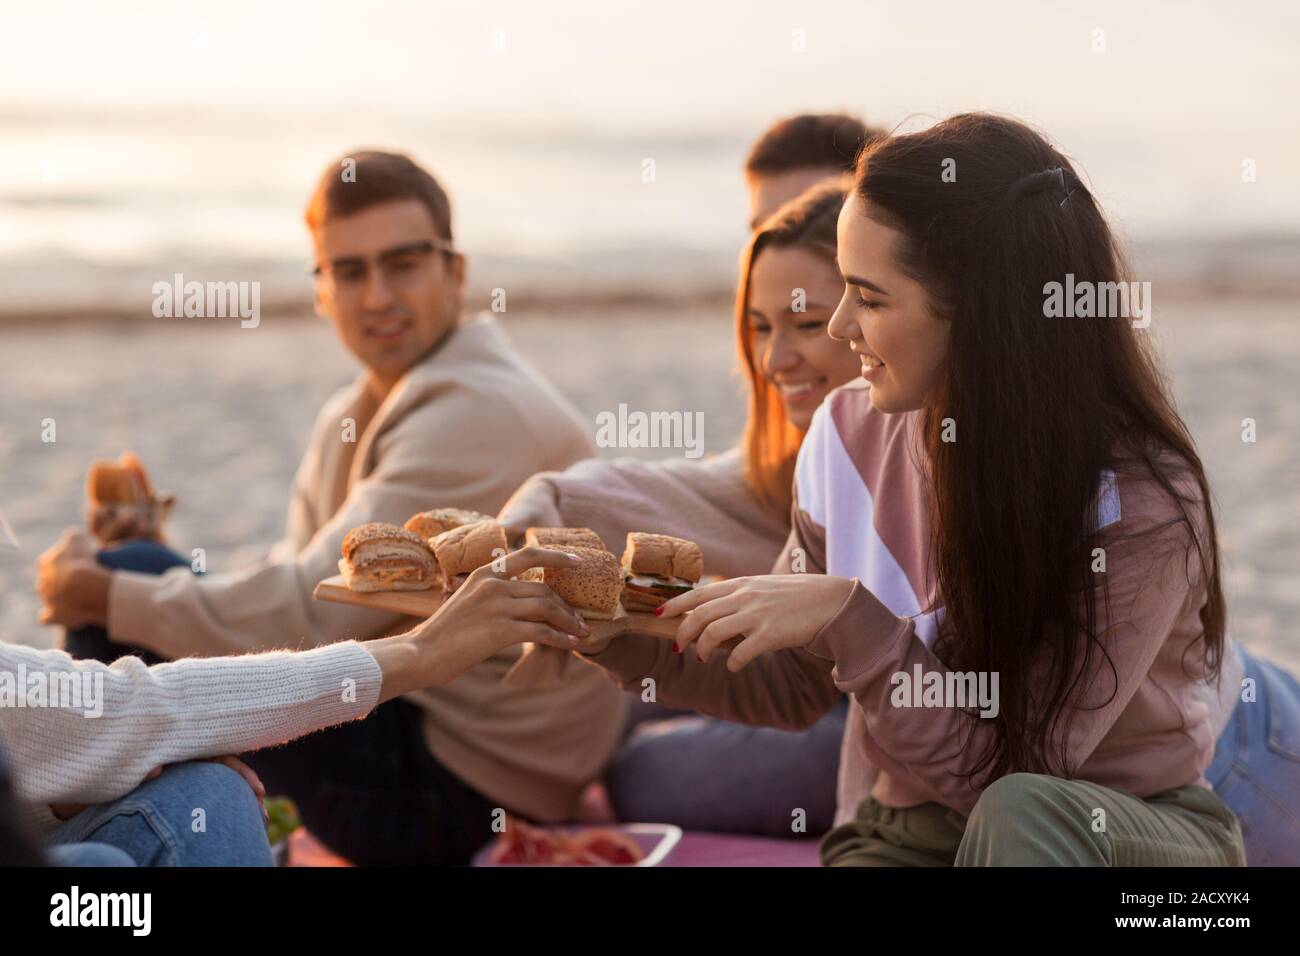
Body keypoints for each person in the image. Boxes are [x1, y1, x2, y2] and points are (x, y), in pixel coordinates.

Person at [572, 113, 1265, 866]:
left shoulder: (1139, 501)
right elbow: (789, 689)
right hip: (914, 830)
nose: (838, 326)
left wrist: (853, 618)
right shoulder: (845, 435)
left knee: (1020, 815)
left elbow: (1015, 774)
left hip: (1115, 832)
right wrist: (620, 639)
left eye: (869, 299)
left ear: (981, 317)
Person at [34, 151, 625, 865]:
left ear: (457, 272)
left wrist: (104, 589)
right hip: (434, 738)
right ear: (320, 290)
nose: (376, 295)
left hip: (467, 795)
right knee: (148, 580)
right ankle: (156, 820)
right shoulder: (359, 408)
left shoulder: (477, 408)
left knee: (126, 586)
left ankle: (116, 836)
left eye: (403, 264)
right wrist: (153, 574)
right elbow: (300, 582)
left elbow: (305, 617)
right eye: (349, 271)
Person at [500, 115, 880, 837]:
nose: (774, 361)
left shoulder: (924, 453)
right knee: (628, 700)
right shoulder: (818, 455)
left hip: (898, 732)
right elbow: (683, 493)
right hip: (827, 692)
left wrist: (850, 621)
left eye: (806, 318)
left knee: (644, 770)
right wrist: (605, 620)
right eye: (761, 228)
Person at [7, 544, 593, 867]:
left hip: (464, 790)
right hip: (436, 803)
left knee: (206, 792)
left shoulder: (389, 410)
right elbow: (129, 710)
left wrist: (71, 785)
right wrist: (421, 652)